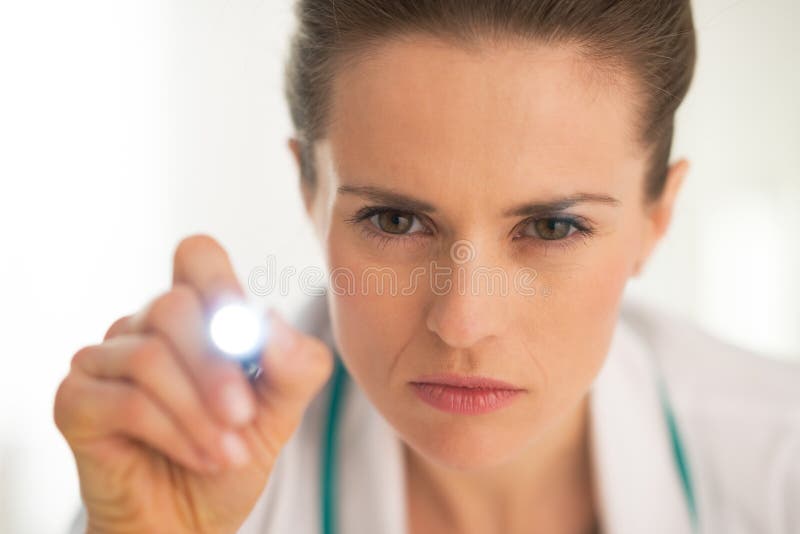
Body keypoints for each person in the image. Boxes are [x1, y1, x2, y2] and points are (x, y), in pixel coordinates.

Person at [55, 1, 800, 533]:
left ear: (656, 219)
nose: (463, 321)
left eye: (552, 226)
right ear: (310, 194)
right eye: (395, 220)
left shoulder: (780, 463)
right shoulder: (205, 478)